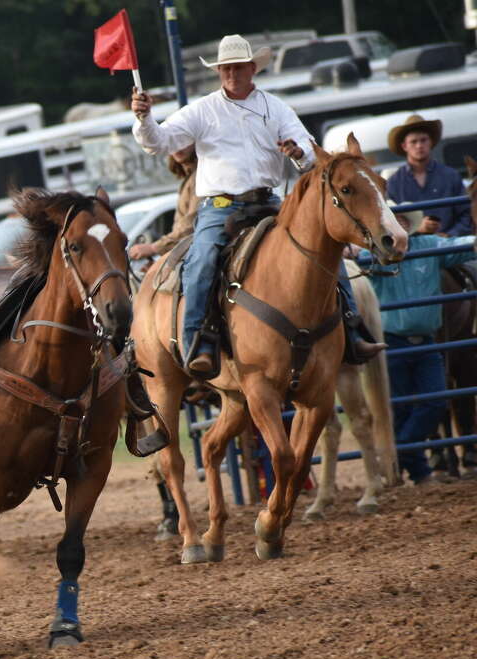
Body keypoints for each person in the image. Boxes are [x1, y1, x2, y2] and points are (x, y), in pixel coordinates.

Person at [130, 34, 384, 379]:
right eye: (226, 68)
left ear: (252, 69)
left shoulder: (276, 108)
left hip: (269, 202)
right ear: (220, 71)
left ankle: (352, 328)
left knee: (324, 250)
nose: (232, 73)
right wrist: (144, 120)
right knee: (202, 260)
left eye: (238, 67)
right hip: (219, 207)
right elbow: (159, 141)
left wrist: (298, 154)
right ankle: (197, 342)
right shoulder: (203, 110)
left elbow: (310, 152)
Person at [361, 203, 476, 484]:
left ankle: (397, 453)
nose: (398, 224)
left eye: (402, 220)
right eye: (392, 219)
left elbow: (462, 245)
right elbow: (355, 259)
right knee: (401, 408)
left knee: (434, 401)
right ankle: (420, 471)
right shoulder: (374, 252)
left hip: (425, 341)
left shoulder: (428, 244)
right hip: (393, 341)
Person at [386, 115, 473, 238]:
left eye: (423, 140)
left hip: (452, 246)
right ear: (404, 146)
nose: (419, 146)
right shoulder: (394, 182)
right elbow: (390, 224)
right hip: (415, 249)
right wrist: (417, 228)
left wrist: (449, 235)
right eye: (414, 141)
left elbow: (467, 214)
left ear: (430, 142)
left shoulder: (451, 176)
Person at [128, 146, 198, 263]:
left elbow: (190, 226)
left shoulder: (199, 176)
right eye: (172, 141)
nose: (177, 146)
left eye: (182, 140)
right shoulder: (189, 178)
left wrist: (153, 248)